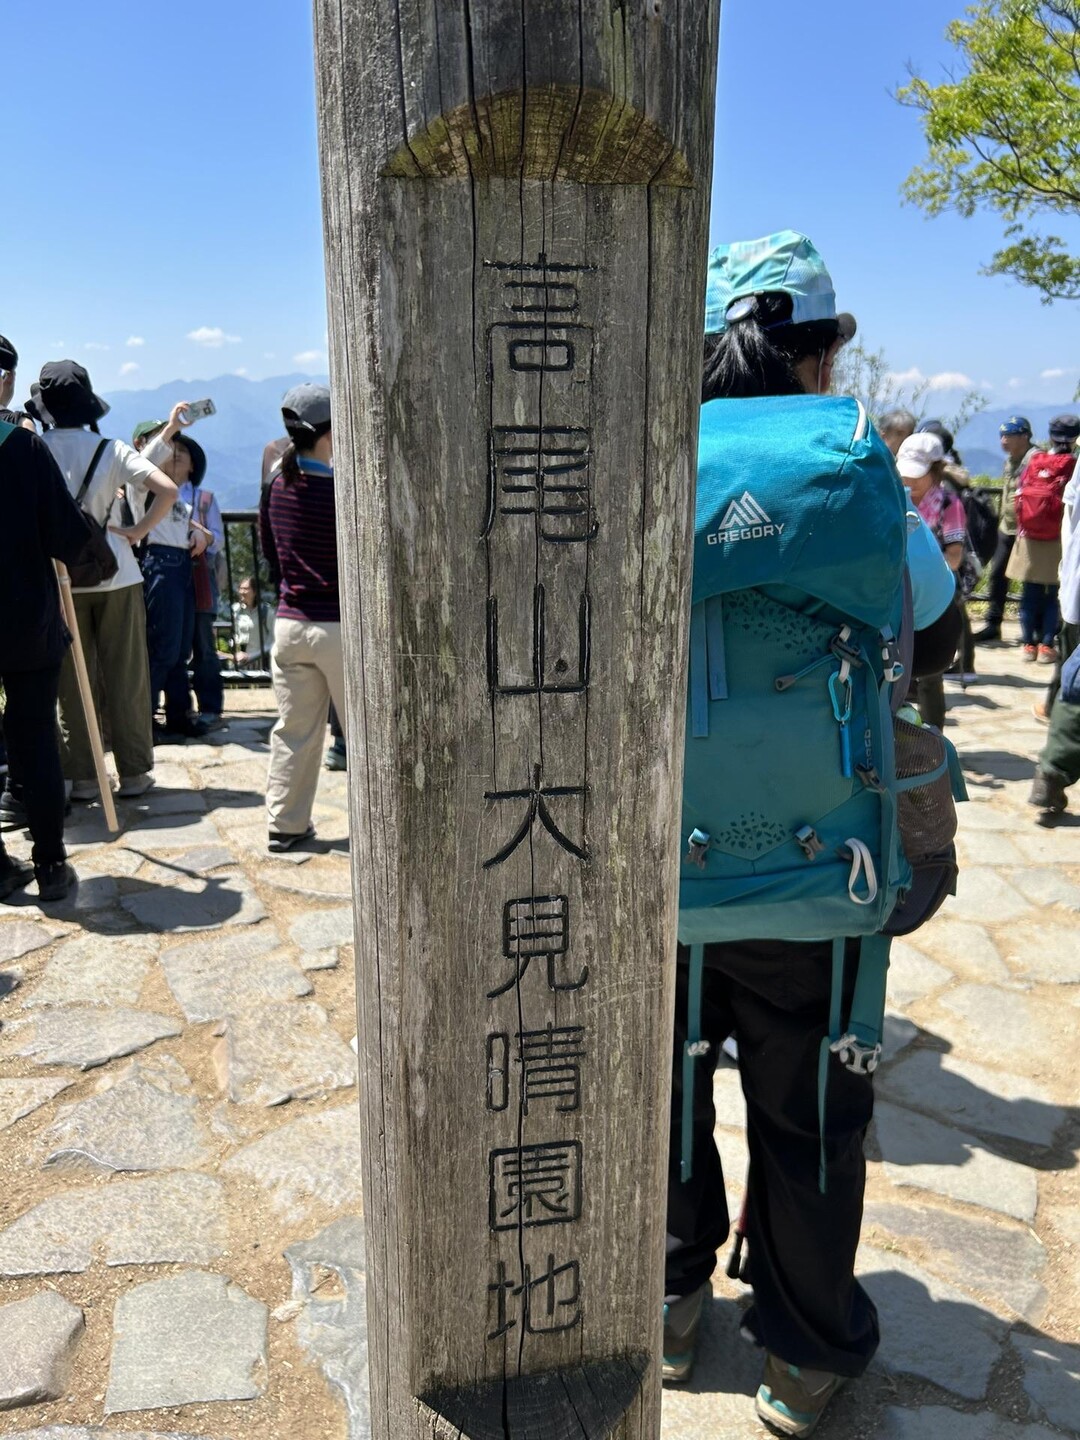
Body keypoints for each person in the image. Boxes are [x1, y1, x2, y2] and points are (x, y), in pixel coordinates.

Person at [663, 232, 960, 1438]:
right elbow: (930, 637)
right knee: (810, 1118)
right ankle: (802, 1358)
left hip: (656, 864)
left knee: (665, 1097)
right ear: (826, 347)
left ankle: (672, 1303)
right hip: (820, 878)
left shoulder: (649, 455)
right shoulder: (859, 469)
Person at [38, 361, 178, 799]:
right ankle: (134, 773)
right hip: (117, 573)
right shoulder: (110, 449)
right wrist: (137, 532)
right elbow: (168, 490)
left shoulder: (33, 448)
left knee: (73, 682)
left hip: (59, 580)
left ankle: (82, 777)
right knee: (127, 676)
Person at [0, 416, 93, 900]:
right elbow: (69, 536)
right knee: (34, 733)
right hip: (24, 620)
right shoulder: (23, 447)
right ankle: (51, 864)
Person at [260, 383, 344, 852]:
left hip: (290, 623)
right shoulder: (343, 491)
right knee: (366, 736)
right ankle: (391, 831)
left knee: (294, 732)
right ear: (331, 432)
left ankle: (286, 825)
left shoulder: (277, 484)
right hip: (337, 627)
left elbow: (270, 553)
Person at [131, 407, 213, 741]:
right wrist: (169, 431)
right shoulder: (140, 486)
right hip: (160, 565)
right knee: (163, 648)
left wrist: (202, 534)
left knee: (178, 649)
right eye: (165, 448)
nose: (169, 454)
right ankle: (143, 721)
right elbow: (145, 465)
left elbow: (194, 530)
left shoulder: (172, 497)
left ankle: (179, 715)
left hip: (177, 568)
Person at [895, 432, 968, 728]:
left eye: (918, 474)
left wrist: (928, 564)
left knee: (929, 679)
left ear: (936, 470)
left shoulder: (949, 504)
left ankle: (934, 732)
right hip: (907, 596)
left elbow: (955, 555)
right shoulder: (896, 496)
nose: (909, 481)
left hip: (933, 597)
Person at [1006, 413, 1079, 663]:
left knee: (1030, 592)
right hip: (1058, 537)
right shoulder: (1073, 463)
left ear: (1050, 435)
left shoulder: (1036, 460)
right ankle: (1047, 646)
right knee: (1054, 594)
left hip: (1029, 535)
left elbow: (1020, 490)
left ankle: (1028, 645)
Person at [975, 416, 1038, 643]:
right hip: (1007, 527)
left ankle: (1035, 631)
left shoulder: (1035, 459)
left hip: (1028, 530)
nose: (1003, 440)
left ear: (1024, 436)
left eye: (1008, 436)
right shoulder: (1009, 461)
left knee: (1033, 579)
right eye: (1001, 435)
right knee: (997, 574)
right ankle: (993, 623)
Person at [232, 576, 272, 669]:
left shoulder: (267, 612)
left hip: (260, 663)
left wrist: (254, 655)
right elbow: (233, 634)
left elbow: (272, 639)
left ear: (255, 592)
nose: (242, 592)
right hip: (240, 663)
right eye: (240, 588)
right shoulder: (235, 610)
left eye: (245, 589)